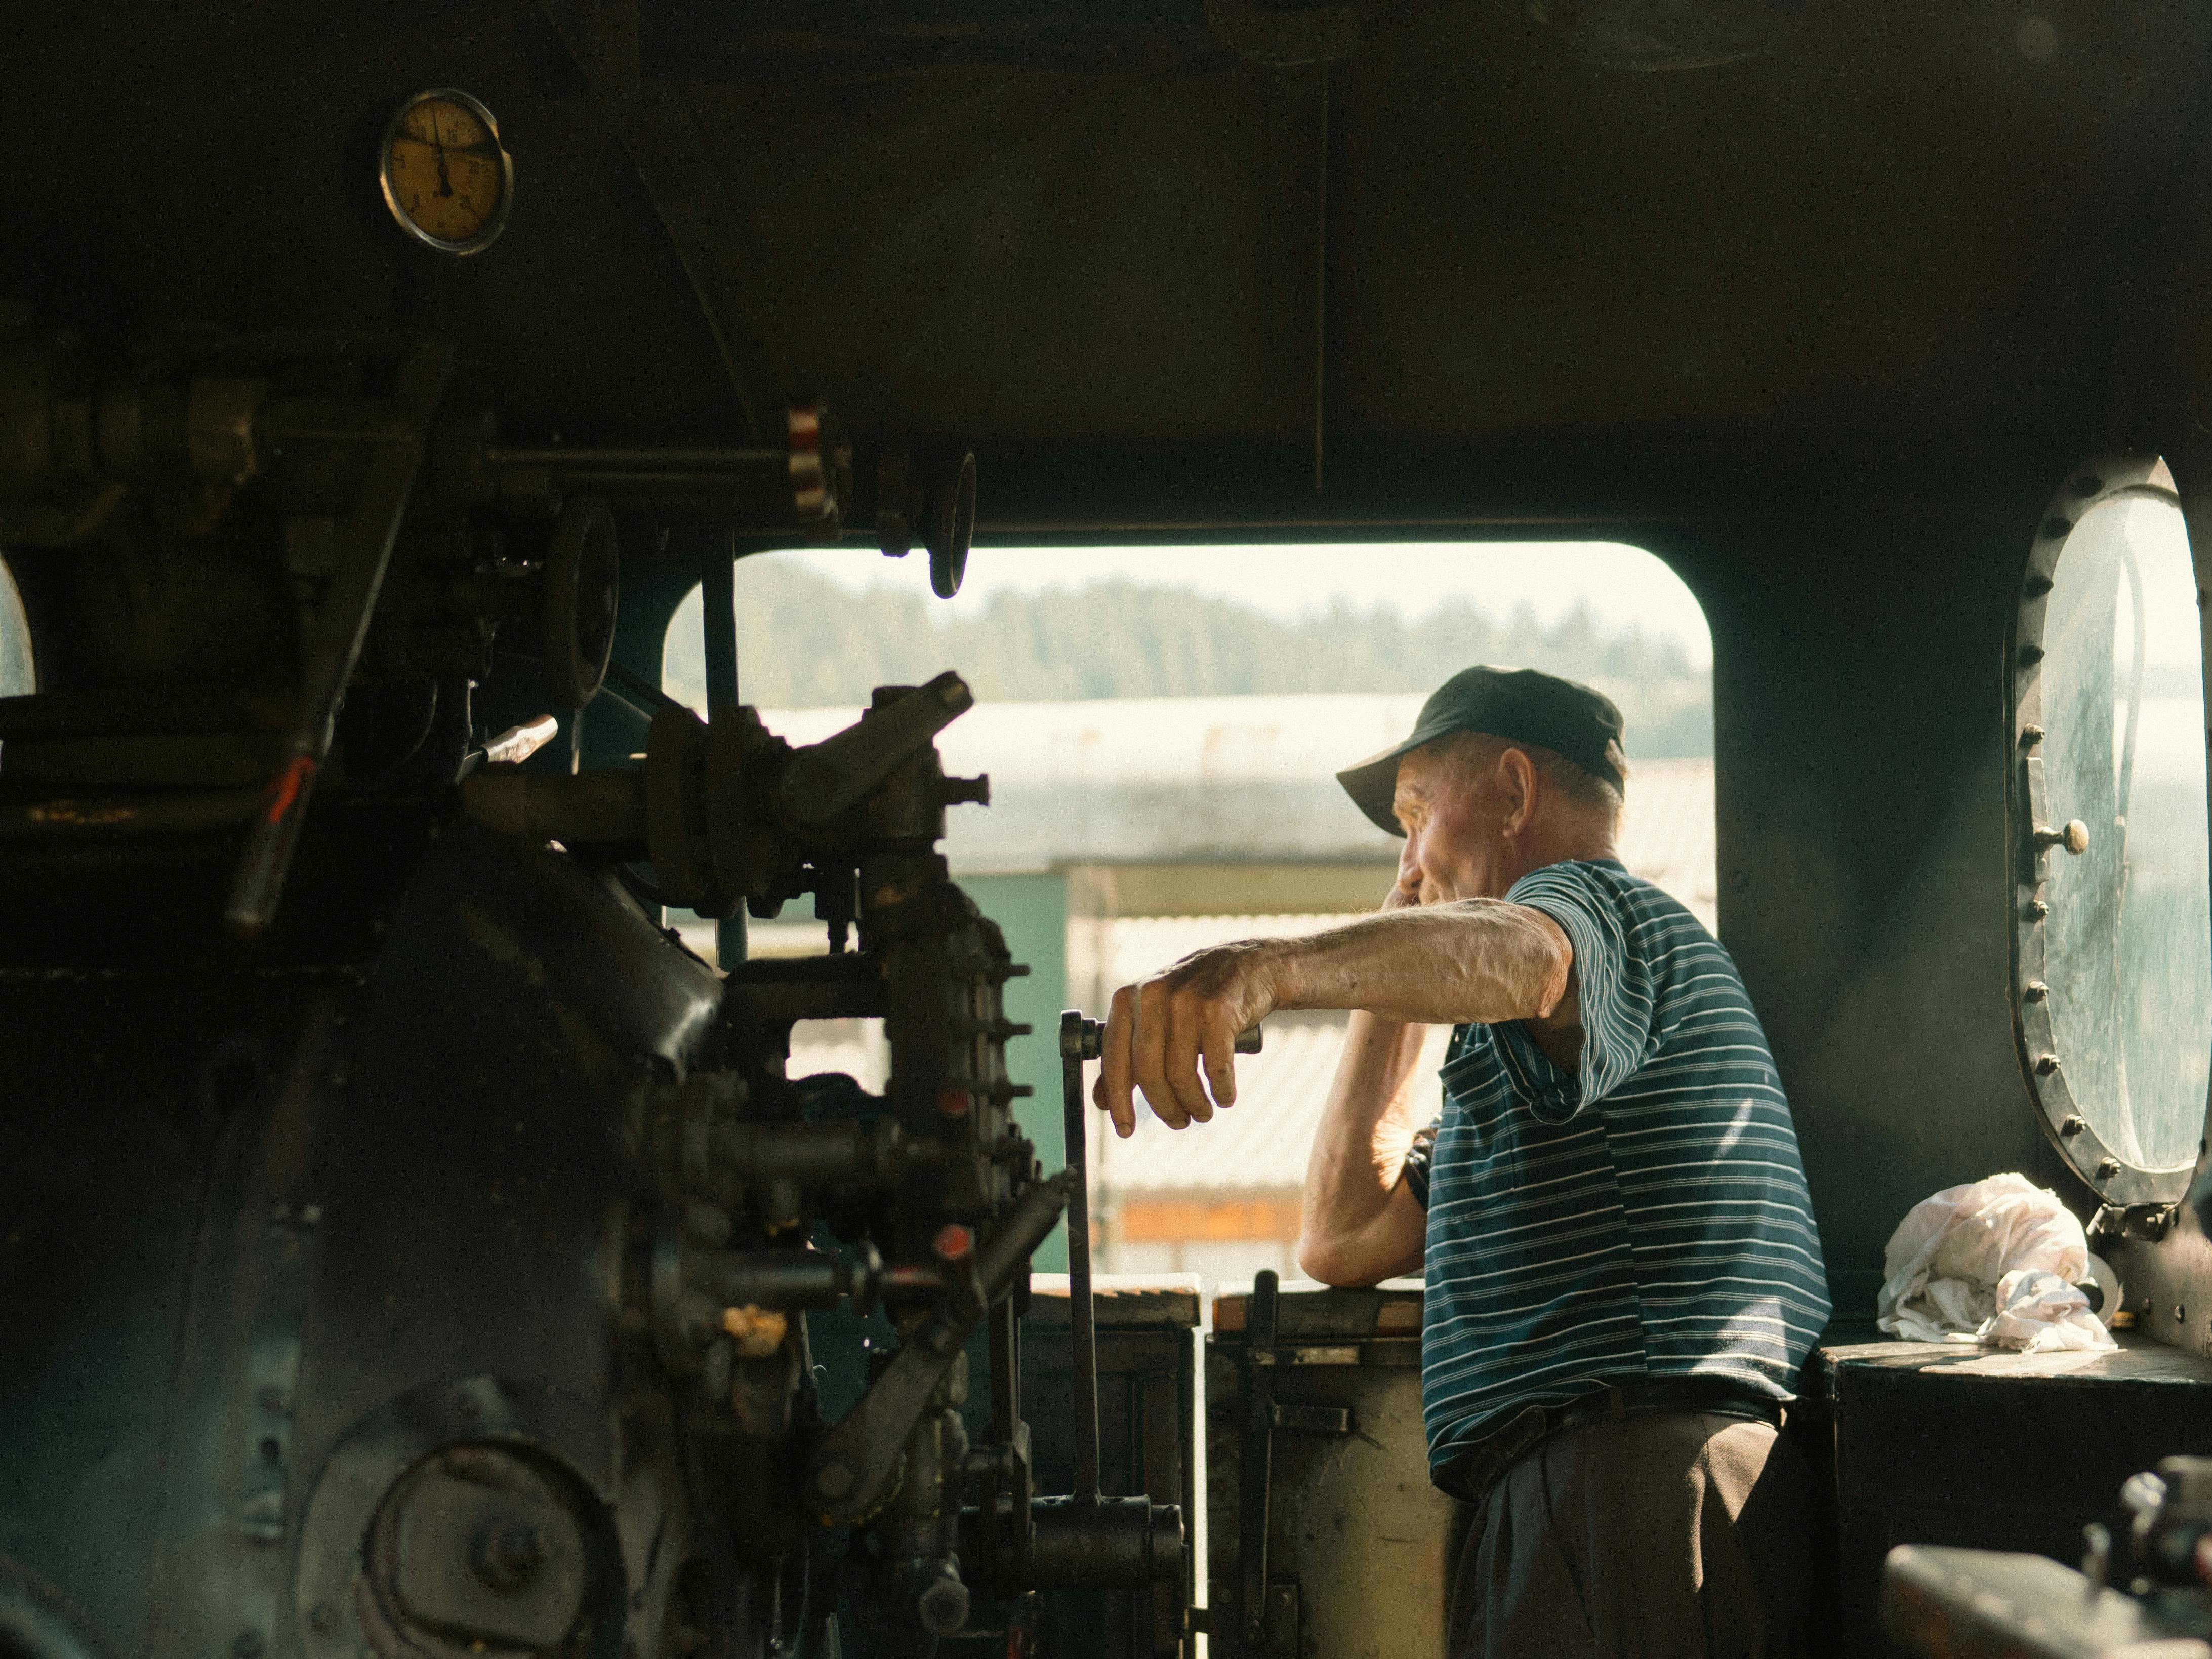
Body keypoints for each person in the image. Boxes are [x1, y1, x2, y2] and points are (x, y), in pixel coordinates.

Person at [1093, 665, 1830, 1658]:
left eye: (1416, 814)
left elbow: (1528, 957)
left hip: (1626, 1490)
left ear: (1516, 793)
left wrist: (1267, 967)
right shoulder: (1540, 1068)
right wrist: (1401, 939)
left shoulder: (1600, 909)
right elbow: (1342, 1233)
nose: (1408, 859)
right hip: (1583, 1493)